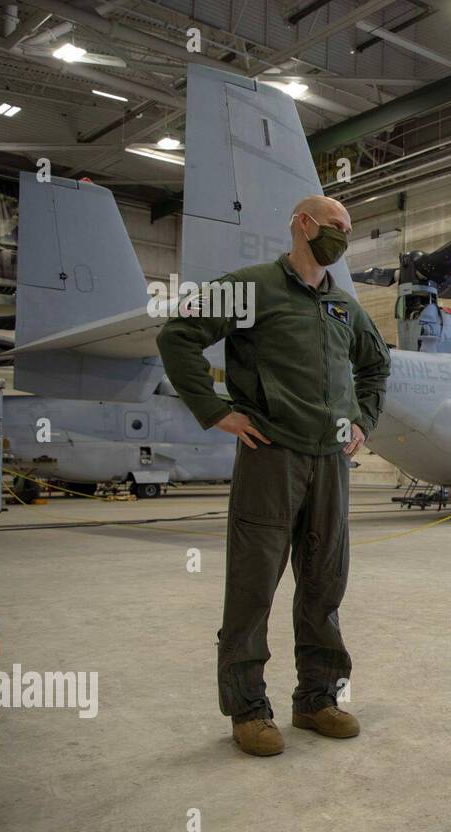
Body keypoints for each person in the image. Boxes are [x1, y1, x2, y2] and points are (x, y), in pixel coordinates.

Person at [157, 195, 391, 757]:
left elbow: (376, 365)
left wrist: (362, 420)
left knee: (324, 584)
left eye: (349, 229)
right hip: (272, 455)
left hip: (331, 460)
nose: (343, 236)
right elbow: (178, 336)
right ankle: (247, 709)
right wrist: (215, 410)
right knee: (253, 585)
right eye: (336, 226)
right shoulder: (252, 286)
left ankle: (316, 700)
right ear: (302, 224)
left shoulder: (343, 306)